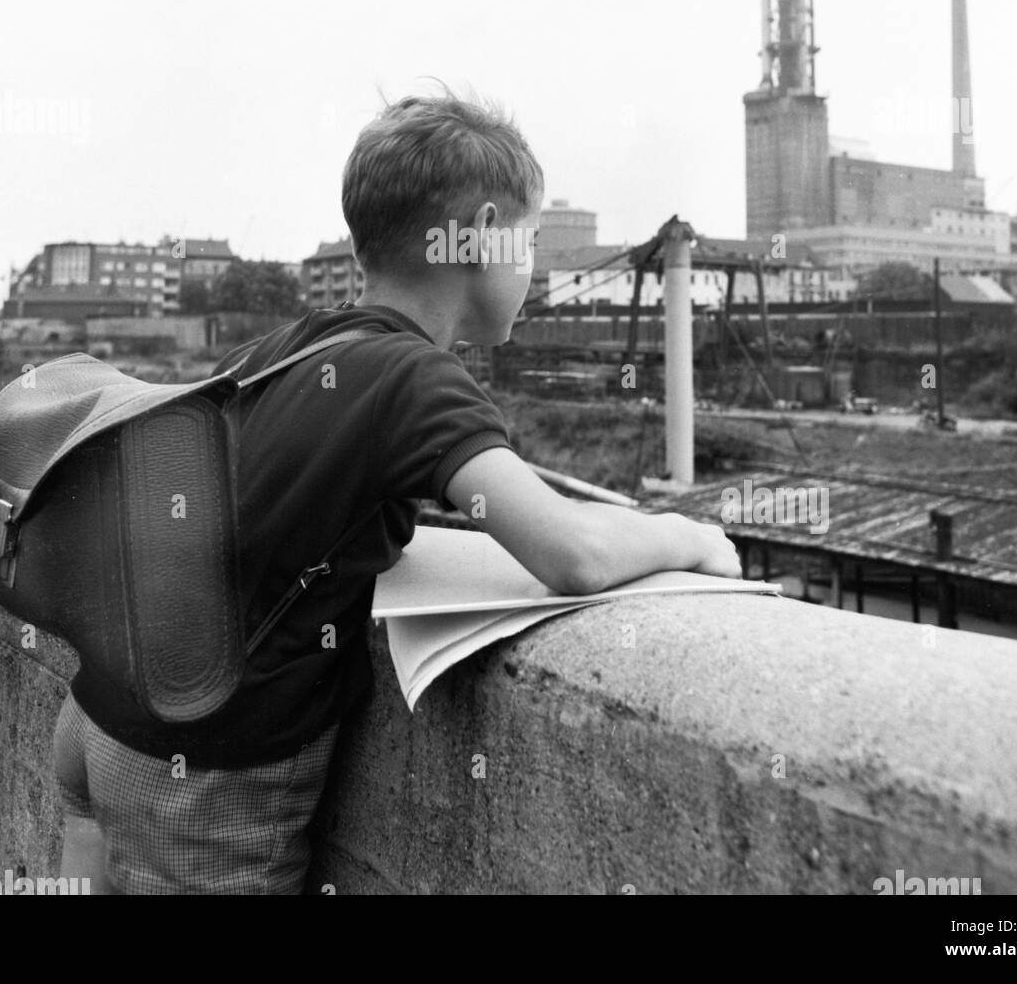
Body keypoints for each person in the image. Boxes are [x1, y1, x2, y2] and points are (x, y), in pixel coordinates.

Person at [53, 89, 740, 893]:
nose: (534, 267)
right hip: (203, 776)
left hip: (96, 720)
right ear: (481, 238)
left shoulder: (287, 346)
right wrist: (687, 535)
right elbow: (572, 553)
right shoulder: (417, 378)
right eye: (529, 241)